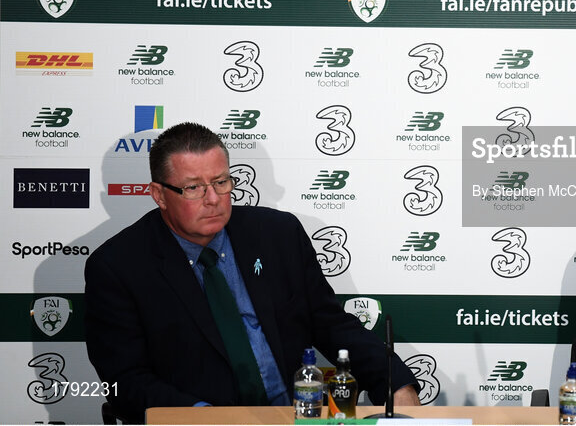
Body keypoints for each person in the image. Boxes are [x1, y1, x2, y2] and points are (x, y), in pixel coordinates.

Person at [85, 122, 419, 423]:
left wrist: (394, 382)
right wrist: (207, 419)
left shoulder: (277, 234)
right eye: (193, 188)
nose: (213, 199)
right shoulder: (118, 267)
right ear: (159, 194)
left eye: (221, 182)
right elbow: (127, 381)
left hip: (295, 416)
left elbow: (329, 322)